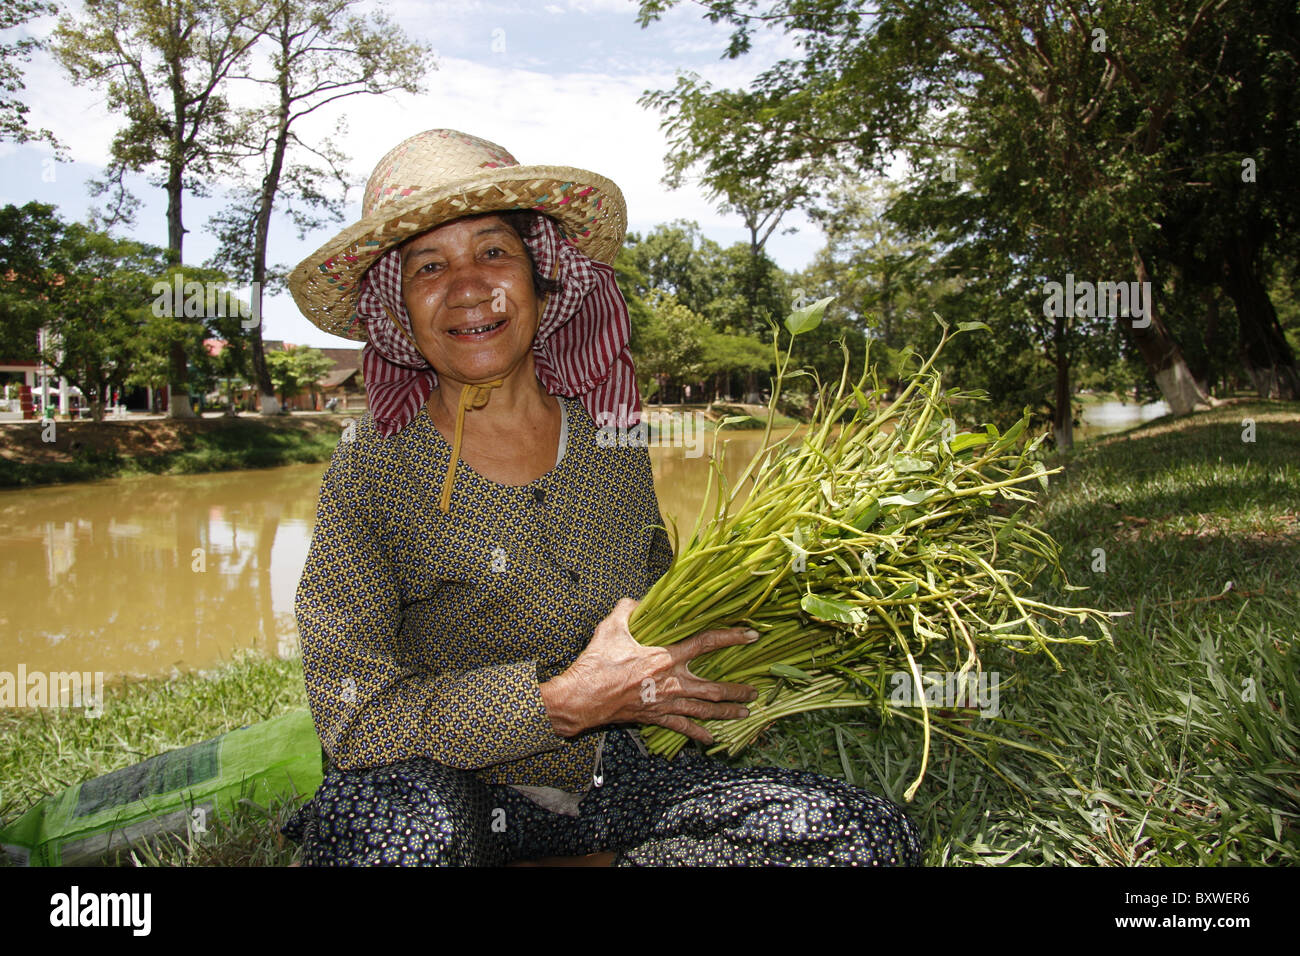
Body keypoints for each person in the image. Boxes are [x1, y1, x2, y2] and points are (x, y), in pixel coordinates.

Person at [280, 128, 923, 866]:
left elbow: (660, 611)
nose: (468, 287)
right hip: (461, 789)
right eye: (430, 266)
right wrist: (564, 701)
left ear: (541, 279)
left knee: (862, 837)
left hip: (627, 778)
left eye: (494, 252)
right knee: (377, 835)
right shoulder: (370, 470)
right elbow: (355, 719)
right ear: (398, 308)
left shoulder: (611, 444)